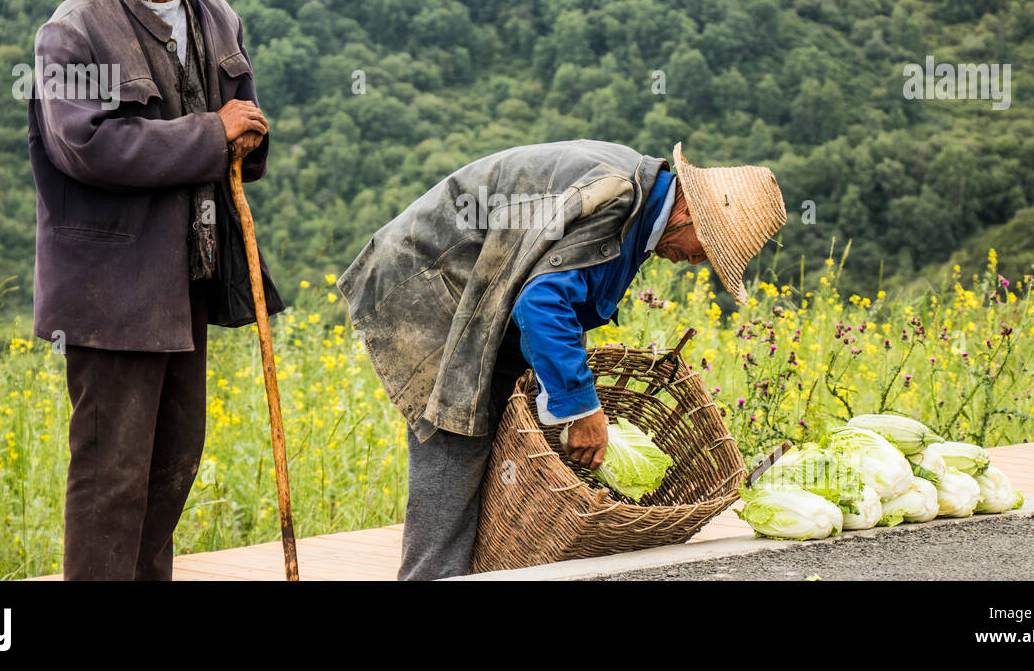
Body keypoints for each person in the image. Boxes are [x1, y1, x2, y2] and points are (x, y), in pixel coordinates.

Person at [337, 140, 787, 579]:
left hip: (487, 295)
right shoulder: (618, 200)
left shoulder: (637, 199)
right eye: (705, 250)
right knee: (458, 435)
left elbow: (548, 296)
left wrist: (562, 395)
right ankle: (431, 574)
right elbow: (541, 305)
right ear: (691, 216)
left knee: (512, 437)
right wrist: (581, 407)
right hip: (431, 285)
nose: (694, 262)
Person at [27, 0, 274, 580]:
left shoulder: (216, 15)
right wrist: (211, 134)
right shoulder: (73, 32)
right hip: (108, 295)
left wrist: (248, 137)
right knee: (111, 474)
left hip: (183, 283)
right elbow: (90, 147)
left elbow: (239, 123)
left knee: (172, 463)